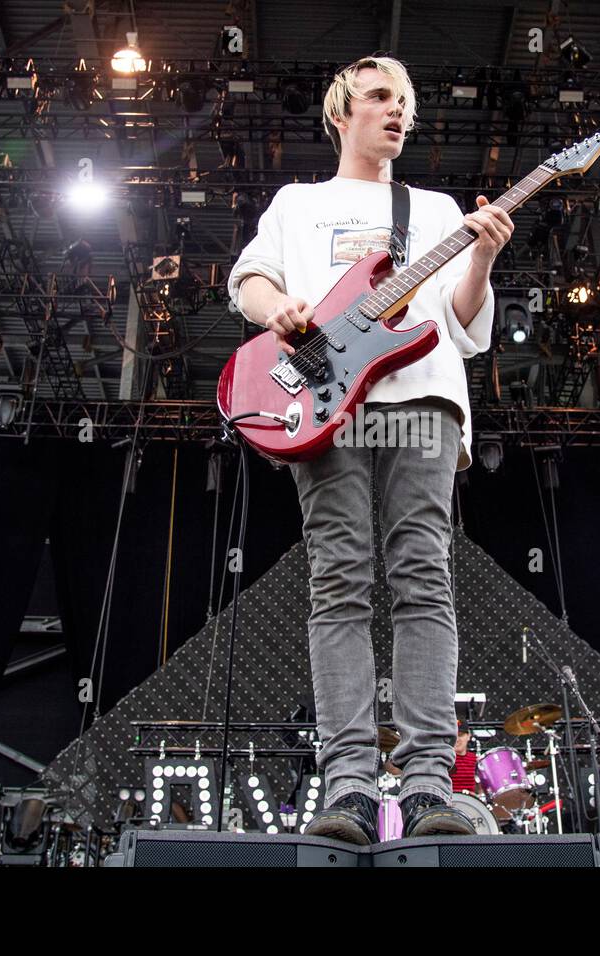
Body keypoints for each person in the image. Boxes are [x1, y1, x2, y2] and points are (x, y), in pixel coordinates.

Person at [228, 54, 512, 845]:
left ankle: (428, 788)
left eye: (406, 102)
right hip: (322, 402)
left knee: (424, 574)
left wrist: (481, 254)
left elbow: (459, 324)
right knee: (339, 580)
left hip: (421, 397)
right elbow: (248, 280)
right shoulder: (299, 202)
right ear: (341, 111)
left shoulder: (436, 207)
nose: (397, 112)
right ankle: (348, 784)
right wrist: (279, 306)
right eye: (381, 98)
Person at [450, 720, 482, 796]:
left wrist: (479, 796)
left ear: (468, 736)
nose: (457, 739)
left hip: (471, 803)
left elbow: (482, 790)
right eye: (454, 736)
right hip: (448, 803)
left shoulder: (476, 760)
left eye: (460, 735)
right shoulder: (445, 759)